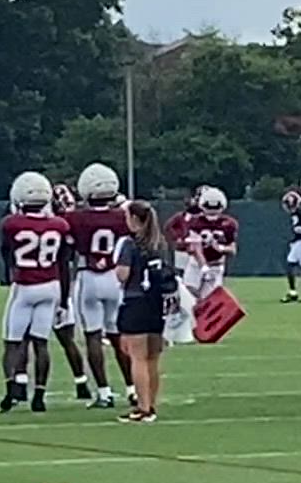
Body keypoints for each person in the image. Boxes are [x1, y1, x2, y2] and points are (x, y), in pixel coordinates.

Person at [0, 172, 71, 413]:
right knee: (41, 343)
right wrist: (64, 297)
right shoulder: (59, 225)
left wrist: (10, 275)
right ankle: (39, 395)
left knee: (13, 343)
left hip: (26, 285)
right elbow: (63, 264)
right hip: (51, 286)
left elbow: (7, 254)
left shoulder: (11, 224)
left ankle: (12, 391)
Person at [66, 163, 134, 408]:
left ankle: (104, 392)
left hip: (89, 276)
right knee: (118, 336)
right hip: (115, 277)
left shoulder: (74, 218)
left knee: (93, 336)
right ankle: (132, 388)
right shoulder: (123, 218)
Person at [114, 200, 176, 423]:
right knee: (152, 359)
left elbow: (122, 274)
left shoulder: (131, 244)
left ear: (134, 219)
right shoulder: (161, 243)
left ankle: (142, 408)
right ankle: (151, 405)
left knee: (137, 358)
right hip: (157, 303)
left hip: (136, 301)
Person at [47, 182, 97, 402]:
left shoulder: (53, 225)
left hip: (43, 283)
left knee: (29, 340)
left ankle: (21, 386)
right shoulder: (67, 226)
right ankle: (81, 382)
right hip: (60, 284)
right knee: (67, 339)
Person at [185, 186, 238, 300]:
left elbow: (233, 249)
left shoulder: (229, 223)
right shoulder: (195, 222)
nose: (212, 211)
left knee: (209, 300)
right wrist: (203, 266)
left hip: (215, 266)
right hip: (196, 265)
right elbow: (196, 247)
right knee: (189, 294)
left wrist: (221, 248)